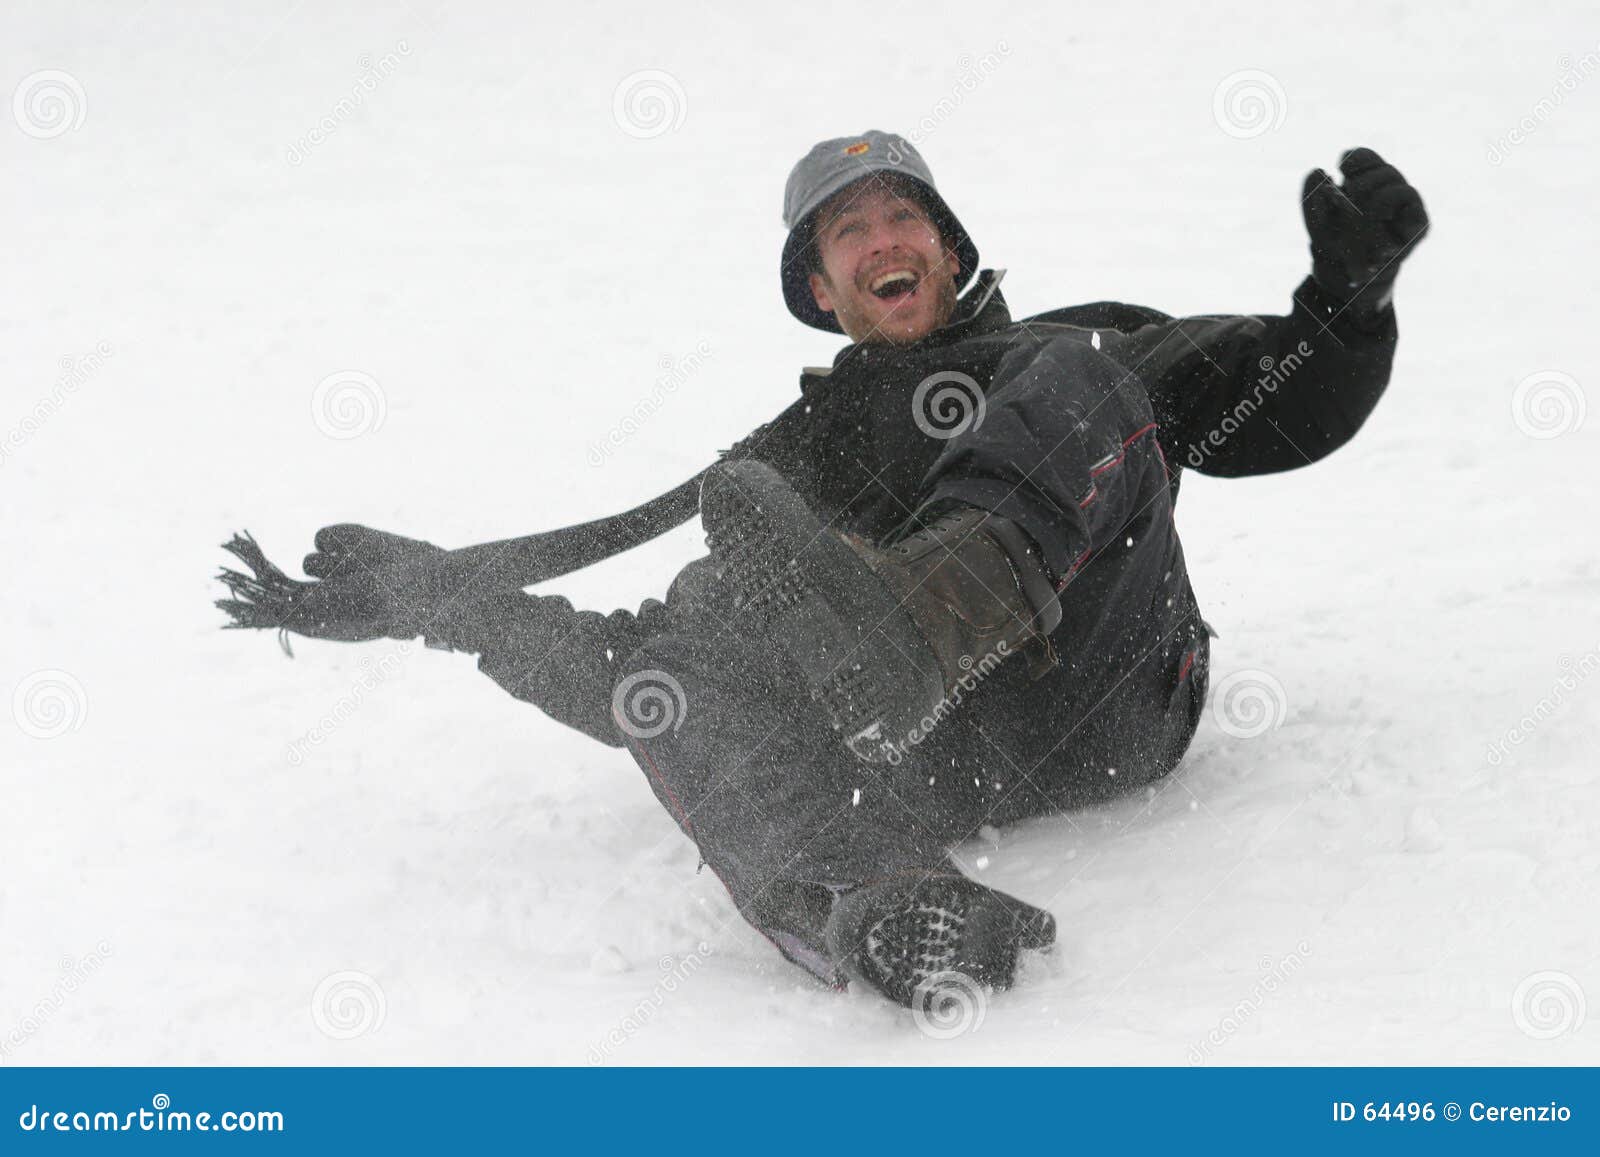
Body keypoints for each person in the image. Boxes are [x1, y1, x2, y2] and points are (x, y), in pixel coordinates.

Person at [388, 131, 1428, 1009]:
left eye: (903, 218)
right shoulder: (790, 459)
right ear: (819, 285)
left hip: (1113, 690)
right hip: (944, 751)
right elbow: (671, 666)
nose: (883, 239)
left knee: (1081, 382)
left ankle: (920, 625)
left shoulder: (1076, 345)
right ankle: (874, 896)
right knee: (705, 613)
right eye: (849, 230)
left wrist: (1348, 304)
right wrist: (454, 605)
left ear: (947, 248)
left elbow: (1274, 402)